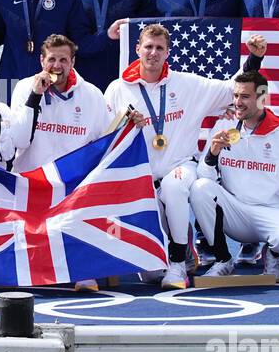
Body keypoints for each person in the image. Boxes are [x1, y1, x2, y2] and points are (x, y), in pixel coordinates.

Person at [104, 24, 268, 289]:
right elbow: (106, 134)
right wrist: (126, 124)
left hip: (179, 165)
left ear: (168, 52)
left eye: (159, 48)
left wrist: (255, 58)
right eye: (148, 47)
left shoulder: (187, 84)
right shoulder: (117, 88)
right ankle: (176, 251)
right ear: (137, 49)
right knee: (149, 273)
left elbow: (231, 88)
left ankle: (178, 263)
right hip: (140, 173)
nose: (153, 53)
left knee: (174, 187)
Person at [191, 70, 279, 283]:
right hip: (237, 213)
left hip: (274, 213)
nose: (238, 103)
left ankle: (274, 254)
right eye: (236, 96)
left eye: (245, 97)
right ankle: (223, 259)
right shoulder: (225, 125)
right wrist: (212, 154)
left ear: (262, 98)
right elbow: (206, 179)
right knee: (200, 188)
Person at [9, 35, 111, 174]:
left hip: (72, 186)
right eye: (51, 59)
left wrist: (129, 126)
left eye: (63, 60)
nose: (57, 66)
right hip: (30, 183)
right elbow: (20, 141)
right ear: (41, 61)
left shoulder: (93, 95)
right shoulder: (24, 87)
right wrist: (35, 95)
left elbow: (105, 143)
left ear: (72, 62)